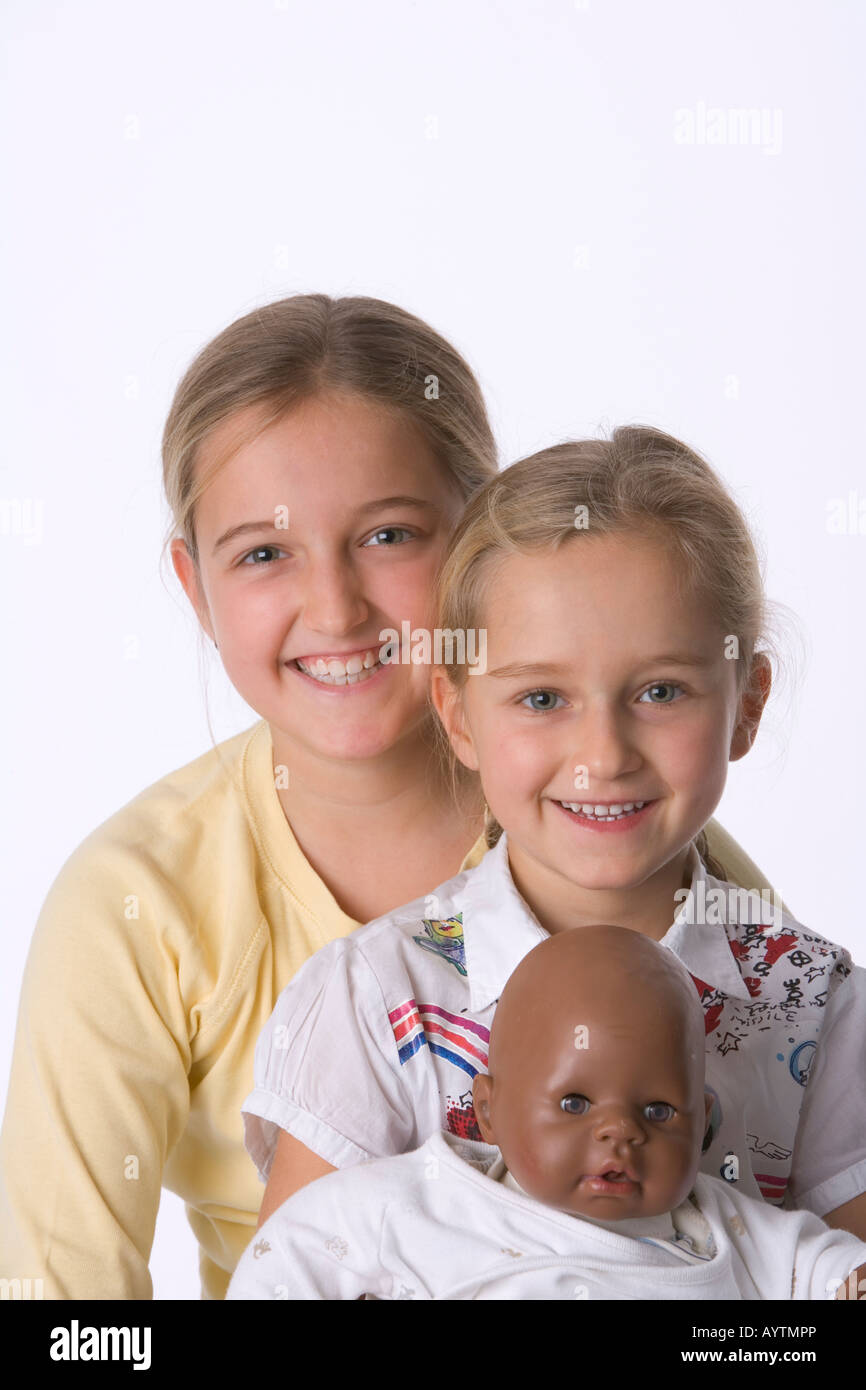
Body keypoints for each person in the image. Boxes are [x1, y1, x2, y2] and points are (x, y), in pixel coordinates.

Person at [0, 295, 778, 1300]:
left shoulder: (620, 833)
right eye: (264, 552)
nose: (334, 607)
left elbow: (783, 1186)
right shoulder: (134, 902)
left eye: (389, 535)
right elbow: (62, 1311)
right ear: (195, 588)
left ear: (478, 543)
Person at [245, 428, 866, 1246]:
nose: (603, 757)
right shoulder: (376, 1004)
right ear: (458, 714)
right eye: (542, 699)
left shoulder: (820, 1012)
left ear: (746, 704)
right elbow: (297, 1275)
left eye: (661, 691)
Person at [227, 928, 866, 1300]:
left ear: (703, 1124)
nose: (621, 1132)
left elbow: (823, 1268)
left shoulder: (724, 1227)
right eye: (574, 1104)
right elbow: (286, 1259)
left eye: (658, 1110)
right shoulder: (419, 1204)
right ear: (490, 1111)